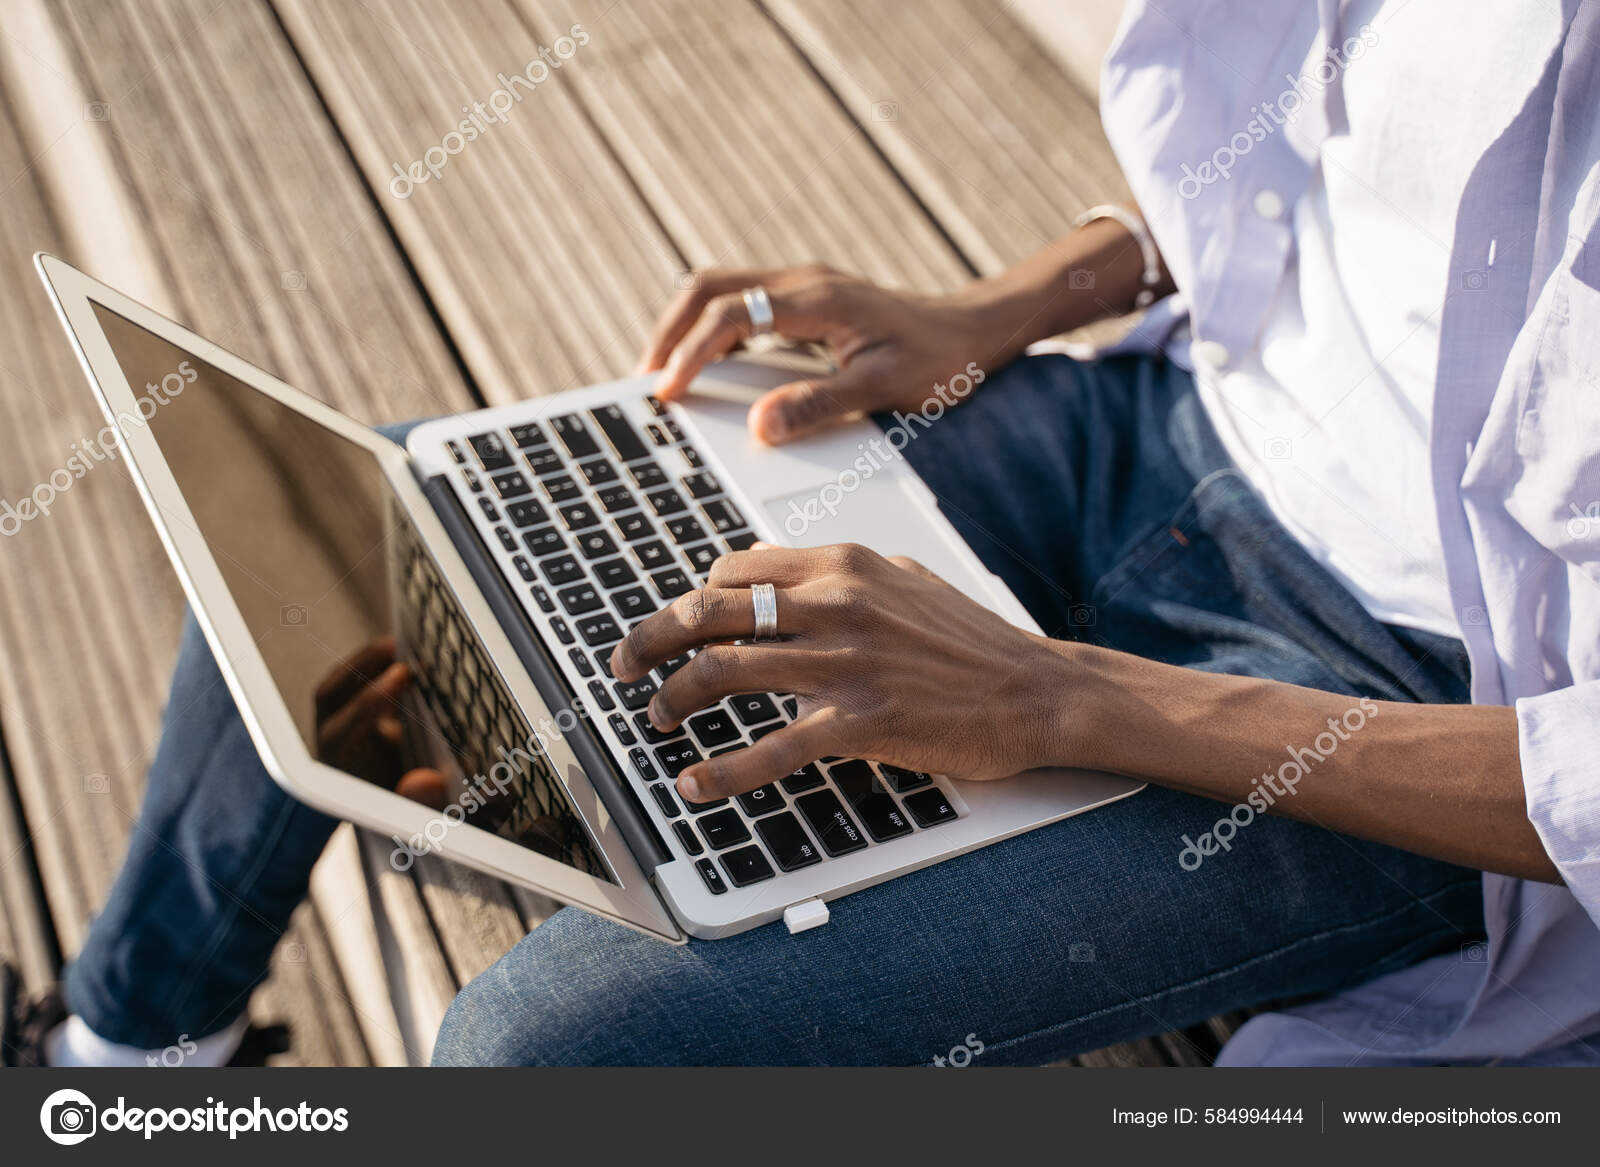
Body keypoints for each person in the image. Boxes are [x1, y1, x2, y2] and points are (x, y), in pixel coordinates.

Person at [7, 0, 1599, 1067]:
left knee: (535, 1058)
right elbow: (1327, 181)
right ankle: (130, 1063)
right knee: (382, 530)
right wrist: (1012, 301)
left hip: (1414, 710)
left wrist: (1065, 697)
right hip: (1153, 429)